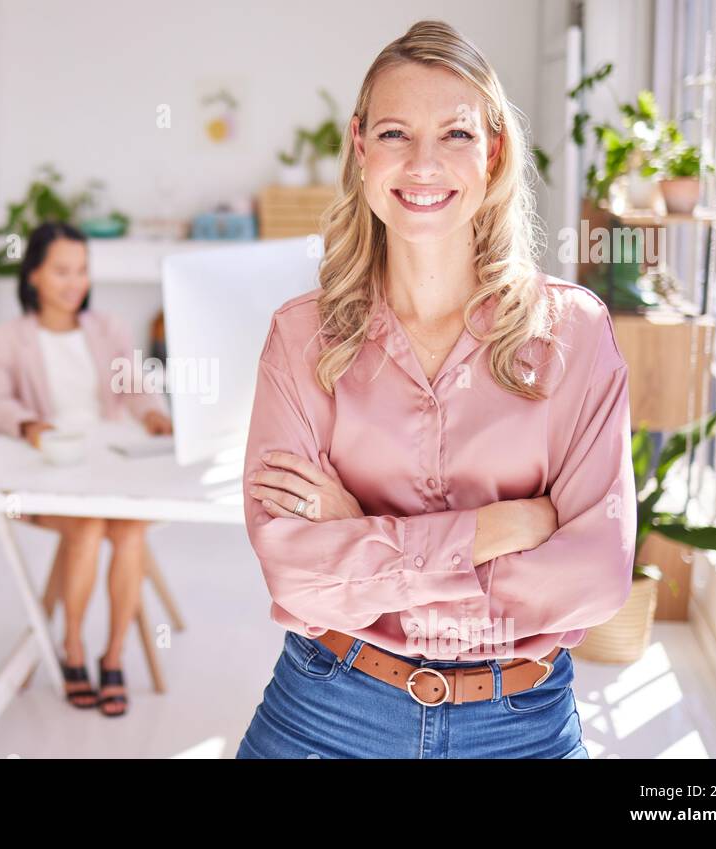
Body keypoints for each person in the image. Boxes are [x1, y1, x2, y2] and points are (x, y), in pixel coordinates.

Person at [235, 20, 637, 758]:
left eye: (454, 135)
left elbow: (596, 575)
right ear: (360, 149)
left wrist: (364, 539)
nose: (423, 164)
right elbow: (293, 568)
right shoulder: (299, 341)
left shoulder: (574, 334)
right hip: (328, 707)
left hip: (520, 721)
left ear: (494, 152)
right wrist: (488, 533)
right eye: (395, 133)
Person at [0, 220, 173, 717]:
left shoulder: (108, 329)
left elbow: (136, 386)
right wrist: (29, 426)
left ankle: (113, 658)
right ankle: (73, 650)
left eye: (82, 271)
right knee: (86, 526)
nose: (74, 282)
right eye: (62, 271)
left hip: (107, 467)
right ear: (34, 276)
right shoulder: (5, 338)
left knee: (128, 530)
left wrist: (152, 413)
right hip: (47, 470)